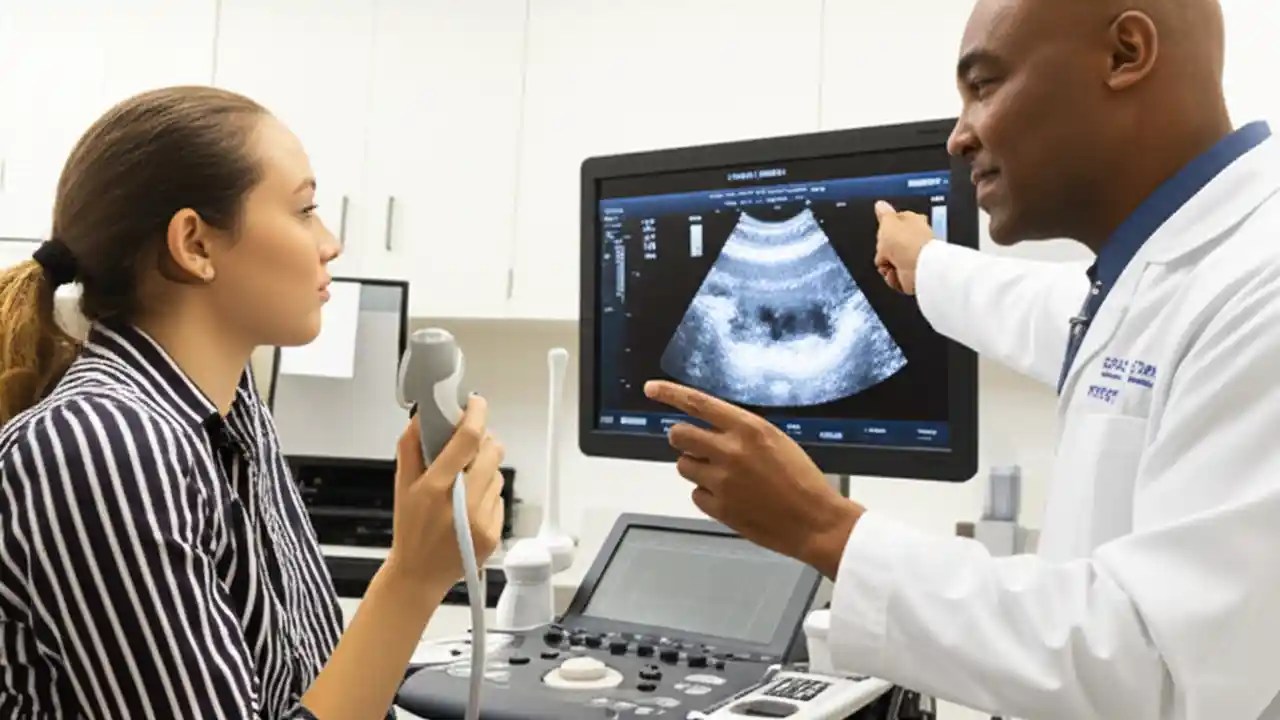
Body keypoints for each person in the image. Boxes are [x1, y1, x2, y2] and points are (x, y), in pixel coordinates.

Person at [644, 0, 1280, 717]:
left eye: (983, 86)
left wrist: (824, 529)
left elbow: (1157, 664)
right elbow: (1051, 312)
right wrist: (928, 264)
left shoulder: (1261, 289)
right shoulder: (1157, 277)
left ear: (1126, 53)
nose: (957, 137)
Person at [0, 86, 506, 719]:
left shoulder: (237, 421)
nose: (330, 242)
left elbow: (315, 690)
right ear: (196, 245)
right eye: (304, 210)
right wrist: (413, 577)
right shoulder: (102, 446)